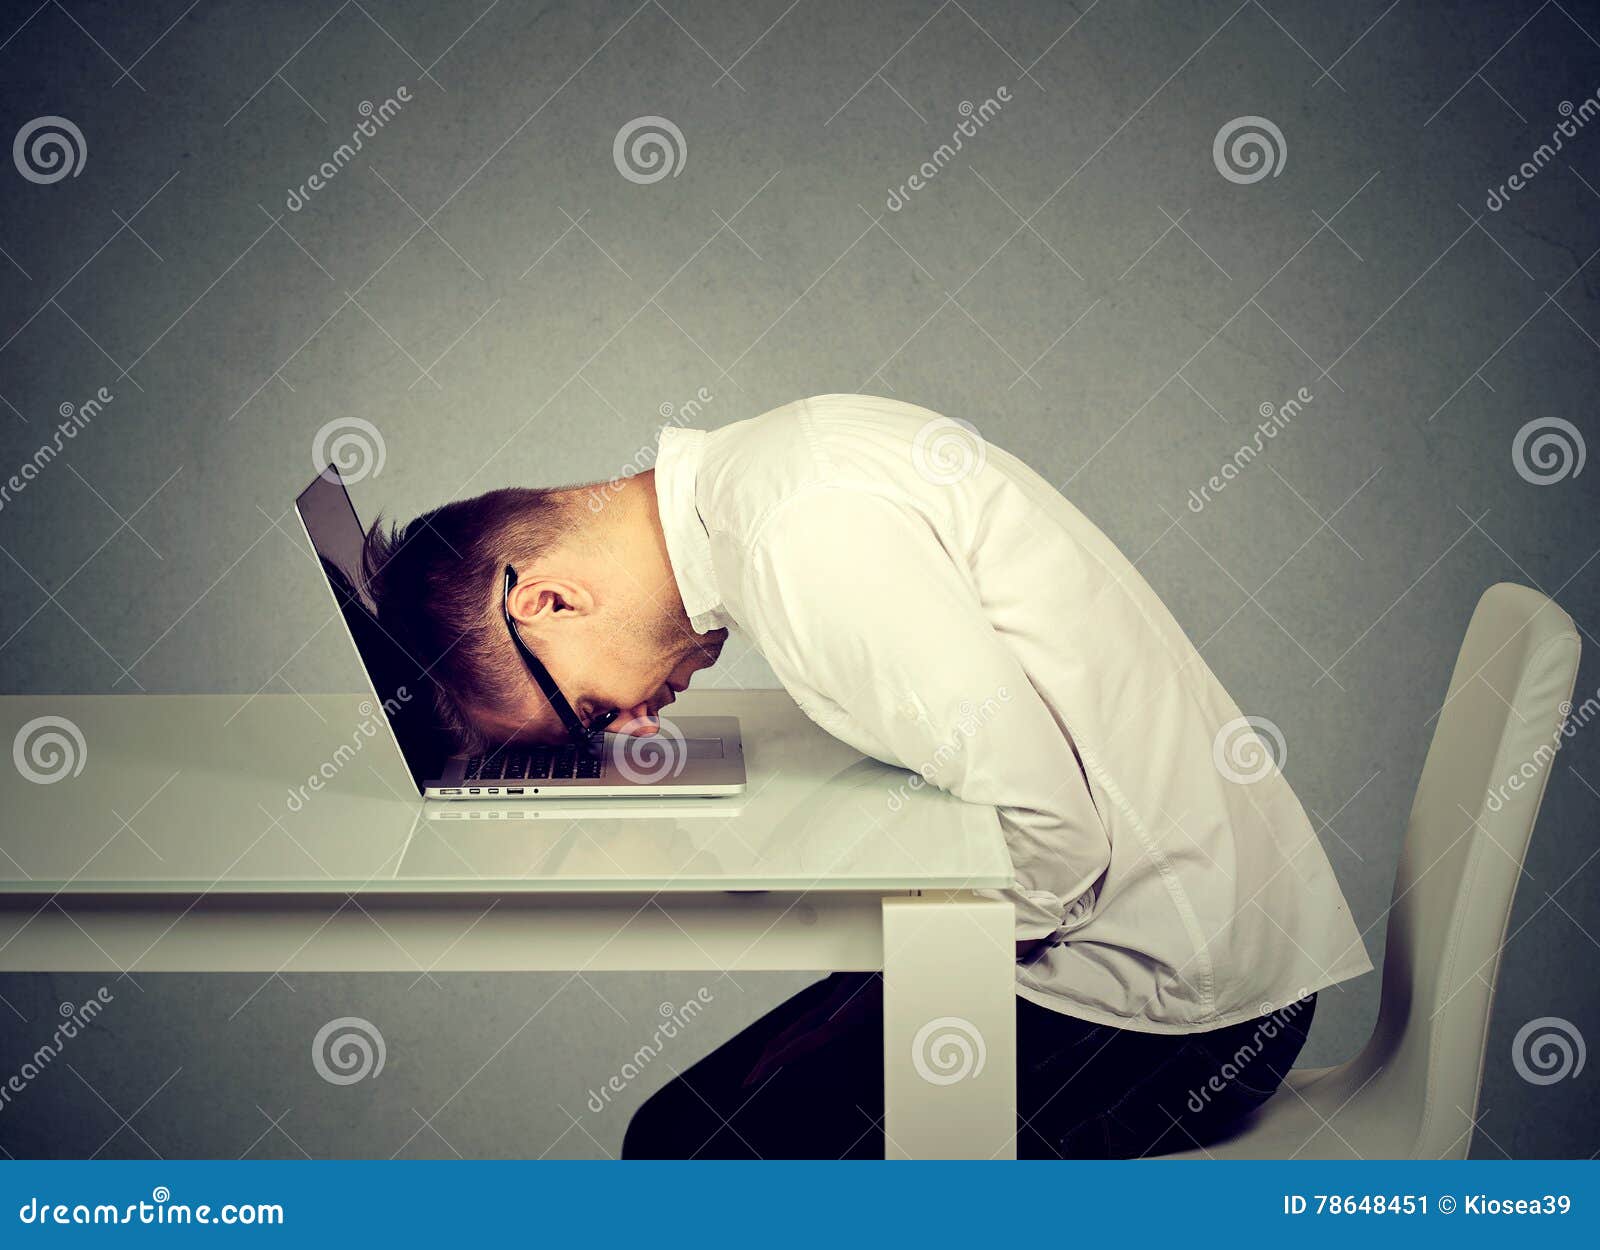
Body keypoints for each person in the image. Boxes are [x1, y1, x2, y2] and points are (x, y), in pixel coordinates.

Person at [361, 393, 1371, 1158]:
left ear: (546, 599)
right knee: (675, 1133)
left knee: (693, 1163)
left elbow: (1054, 841)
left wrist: (812, 903)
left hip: (1175, 1008)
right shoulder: (767, 479)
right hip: (1145, 943)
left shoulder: (802, 536)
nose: (630, 725)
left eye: (584, 715)